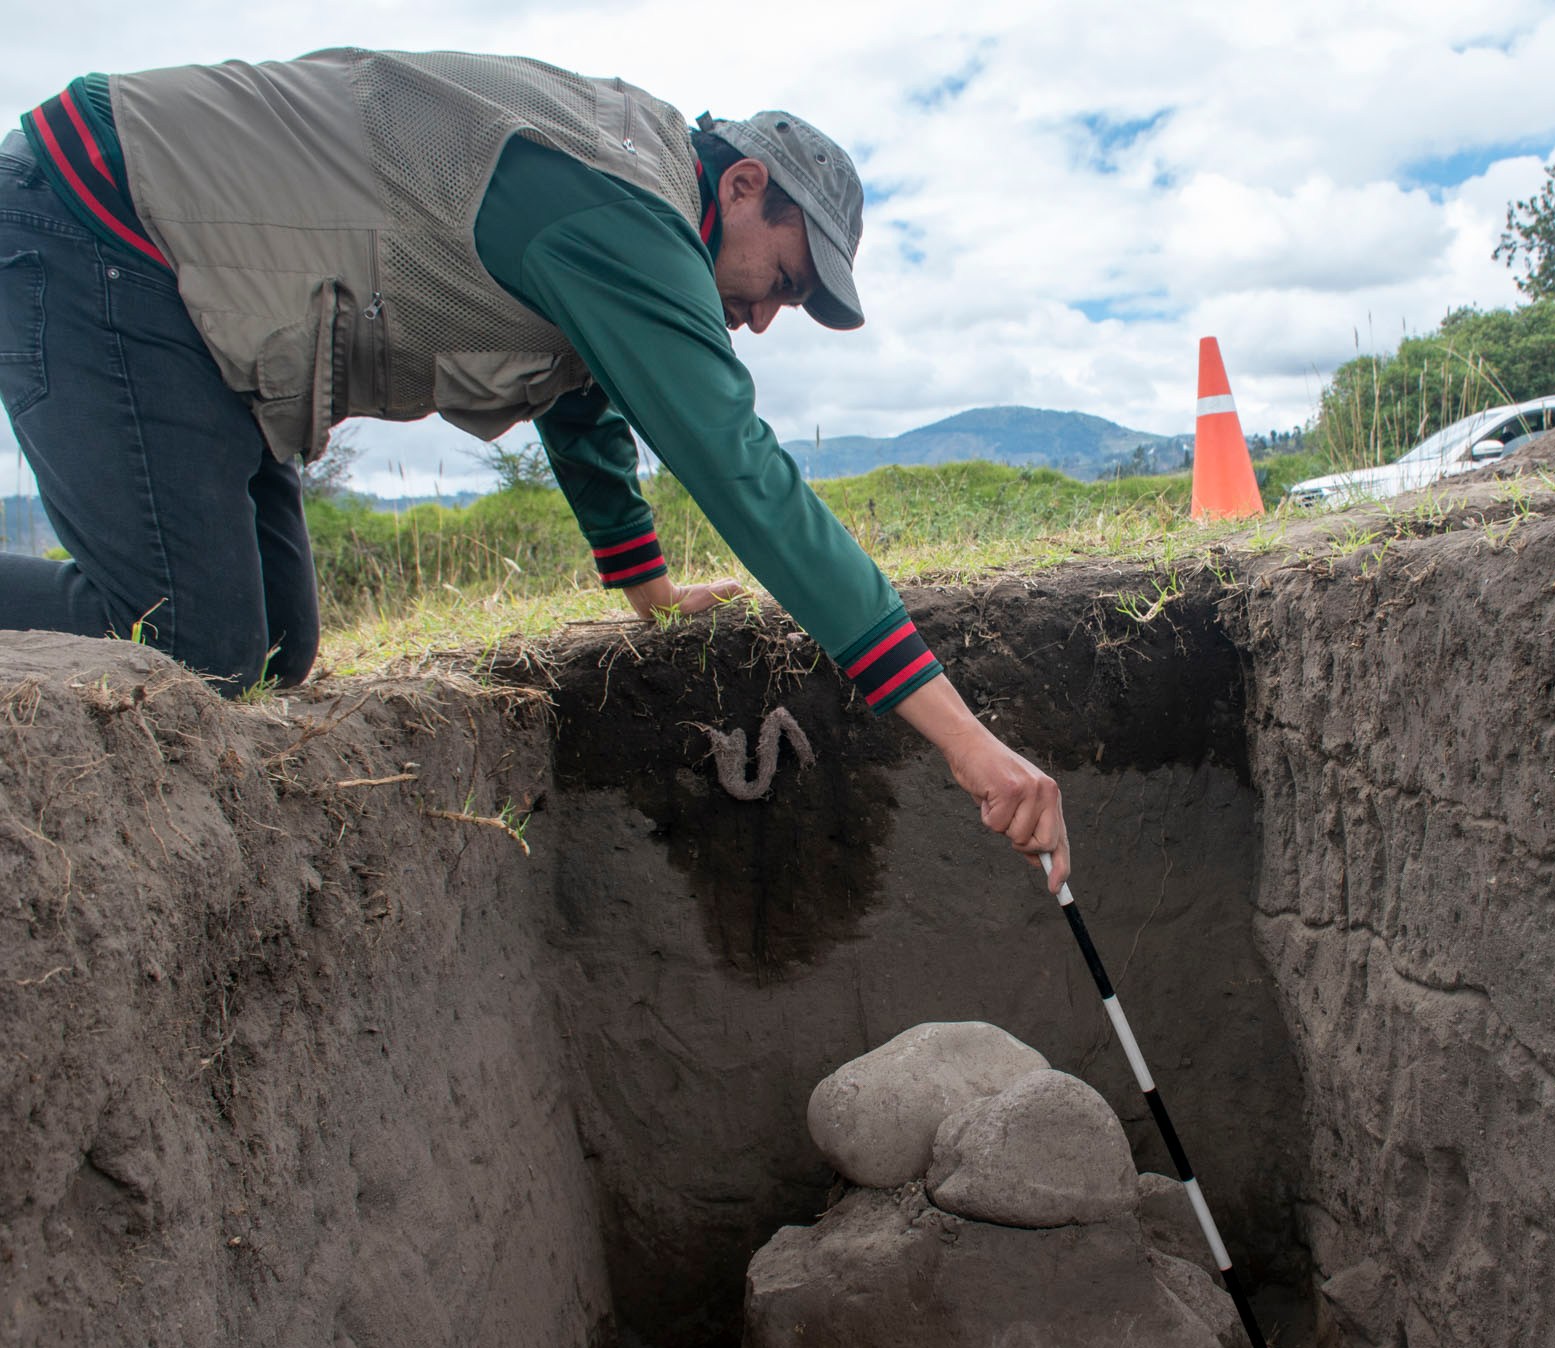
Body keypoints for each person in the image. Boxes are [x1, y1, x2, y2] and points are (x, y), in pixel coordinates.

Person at [0, 49, 1070, 888]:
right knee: (200, 649)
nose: (760, 317)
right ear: (745, 185)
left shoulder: (630, 197)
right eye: (780, 278)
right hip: (101, 223)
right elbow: (743, 478)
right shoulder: (624, 209)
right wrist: (966, 743)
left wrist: (646, 591)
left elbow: (578, 401)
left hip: (200, 311)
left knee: (278, 649)